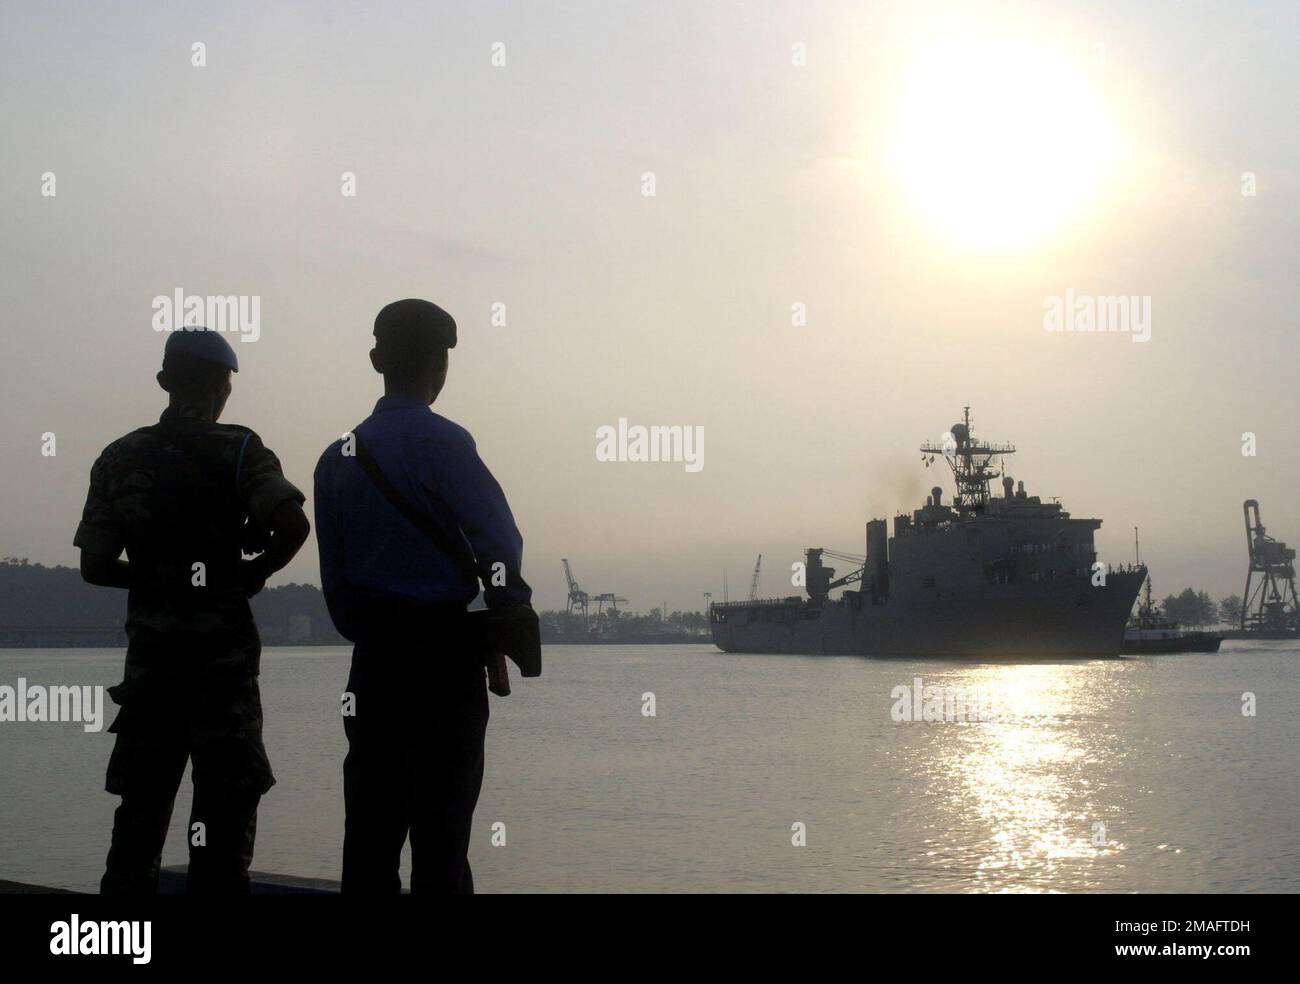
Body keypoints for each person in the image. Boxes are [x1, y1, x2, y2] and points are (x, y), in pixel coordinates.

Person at [75, 327, 310, 894]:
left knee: (138, 826)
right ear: (222, 386)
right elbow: (295, 525)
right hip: (223, 676)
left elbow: (96, 566)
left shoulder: (118, 457)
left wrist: (159, 579)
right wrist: (251, 573)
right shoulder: (239, 450)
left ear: (164, 381)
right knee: (223, 834)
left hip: (152, 674)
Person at [313, 298, 534, 894]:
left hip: (375, 670)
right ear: (440, 365)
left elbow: (338, 594)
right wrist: (508, 608)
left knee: (368, 840)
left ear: (376, 360)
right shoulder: (447, 445)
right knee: (442, 846)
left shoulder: (336, 460)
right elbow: (498, 548)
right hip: (445, 668)